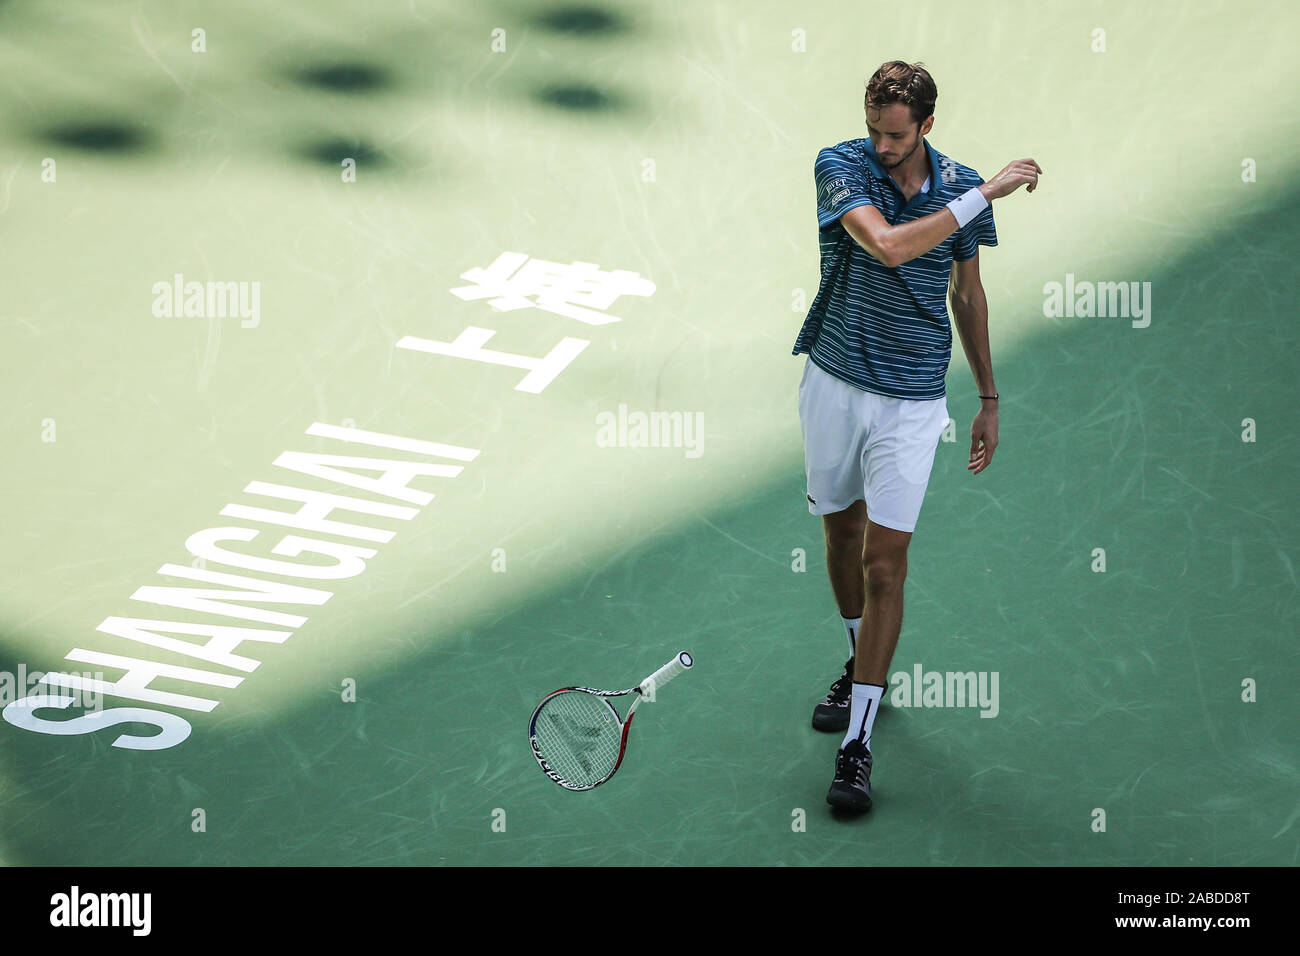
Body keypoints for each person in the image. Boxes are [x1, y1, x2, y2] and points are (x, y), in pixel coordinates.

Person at [791, 60, 1041, 812]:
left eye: (895, 135)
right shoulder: (840, 166)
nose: (881, 144)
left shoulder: (957, 184)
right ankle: (858, 658)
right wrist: (984, 196)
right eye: (874, 127)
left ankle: (857, 743)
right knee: (841, 538)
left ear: (926, 125)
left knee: (886, 562)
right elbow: (891, 247)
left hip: (909, 401)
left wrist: (989, 396)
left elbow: (968, 293)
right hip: (834, 381)